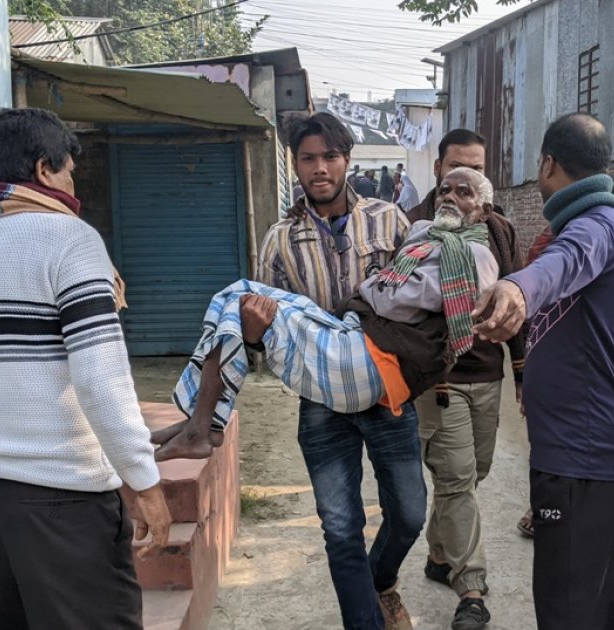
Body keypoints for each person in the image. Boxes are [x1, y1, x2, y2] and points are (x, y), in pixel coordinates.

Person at [0, 108, 173, 629]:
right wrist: (144, 481)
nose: (73, 184)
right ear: (43, 170)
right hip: (63, 496)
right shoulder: (69, 242)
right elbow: (101, 381)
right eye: (69, 171)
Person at [154, 167, 500, 463]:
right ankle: (200, 422)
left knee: (402, 511)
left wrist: (372, 285)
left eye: (463, 192)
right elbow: (396, 277)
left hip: (373, 361)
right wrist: (302, 214)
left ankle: (202, 424)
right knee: (235, 295)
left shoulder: (474, 255)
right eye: (444, 190)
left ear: (483, 211)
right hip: (354, 337)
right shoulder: (429, 236)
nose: (449, 197)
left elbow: (392, 302)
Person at [246, 112, 424, 630]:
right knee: (340, 527)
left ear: (347, 159)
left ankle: (380, 581)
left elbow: (423, 305)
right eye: (307, 158)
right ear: (295, 165)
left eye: (329, 156)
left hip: (388, 393)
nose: (319, 168)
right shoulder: (280, 239)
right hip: (322, 401)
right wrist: (255, 334)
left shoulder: (392, 221)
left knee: (410, 513)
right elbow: (267, 330)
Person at [472, 112, 614, 630]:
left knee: (568, 609)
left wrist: (518, 288)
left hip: (581, 458)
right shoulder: (592, 224)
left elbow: (561, 264)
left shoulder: (593, 229)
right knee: (585, 603)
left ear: (547, 164)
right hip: (576, 451)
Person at [405, 129, 525, 630]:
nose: (460, 187)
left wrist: (523, 373)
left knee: (474, 473)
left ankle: (439, 555)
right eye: (453, 174)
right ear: (437, 172)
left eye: (473, 175)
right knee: (456, 484)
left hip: (487, 376)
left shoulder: (500, 231)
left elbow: (518, 303)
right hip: (441, 383)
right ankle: (471, 589)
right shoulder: (412, 230)